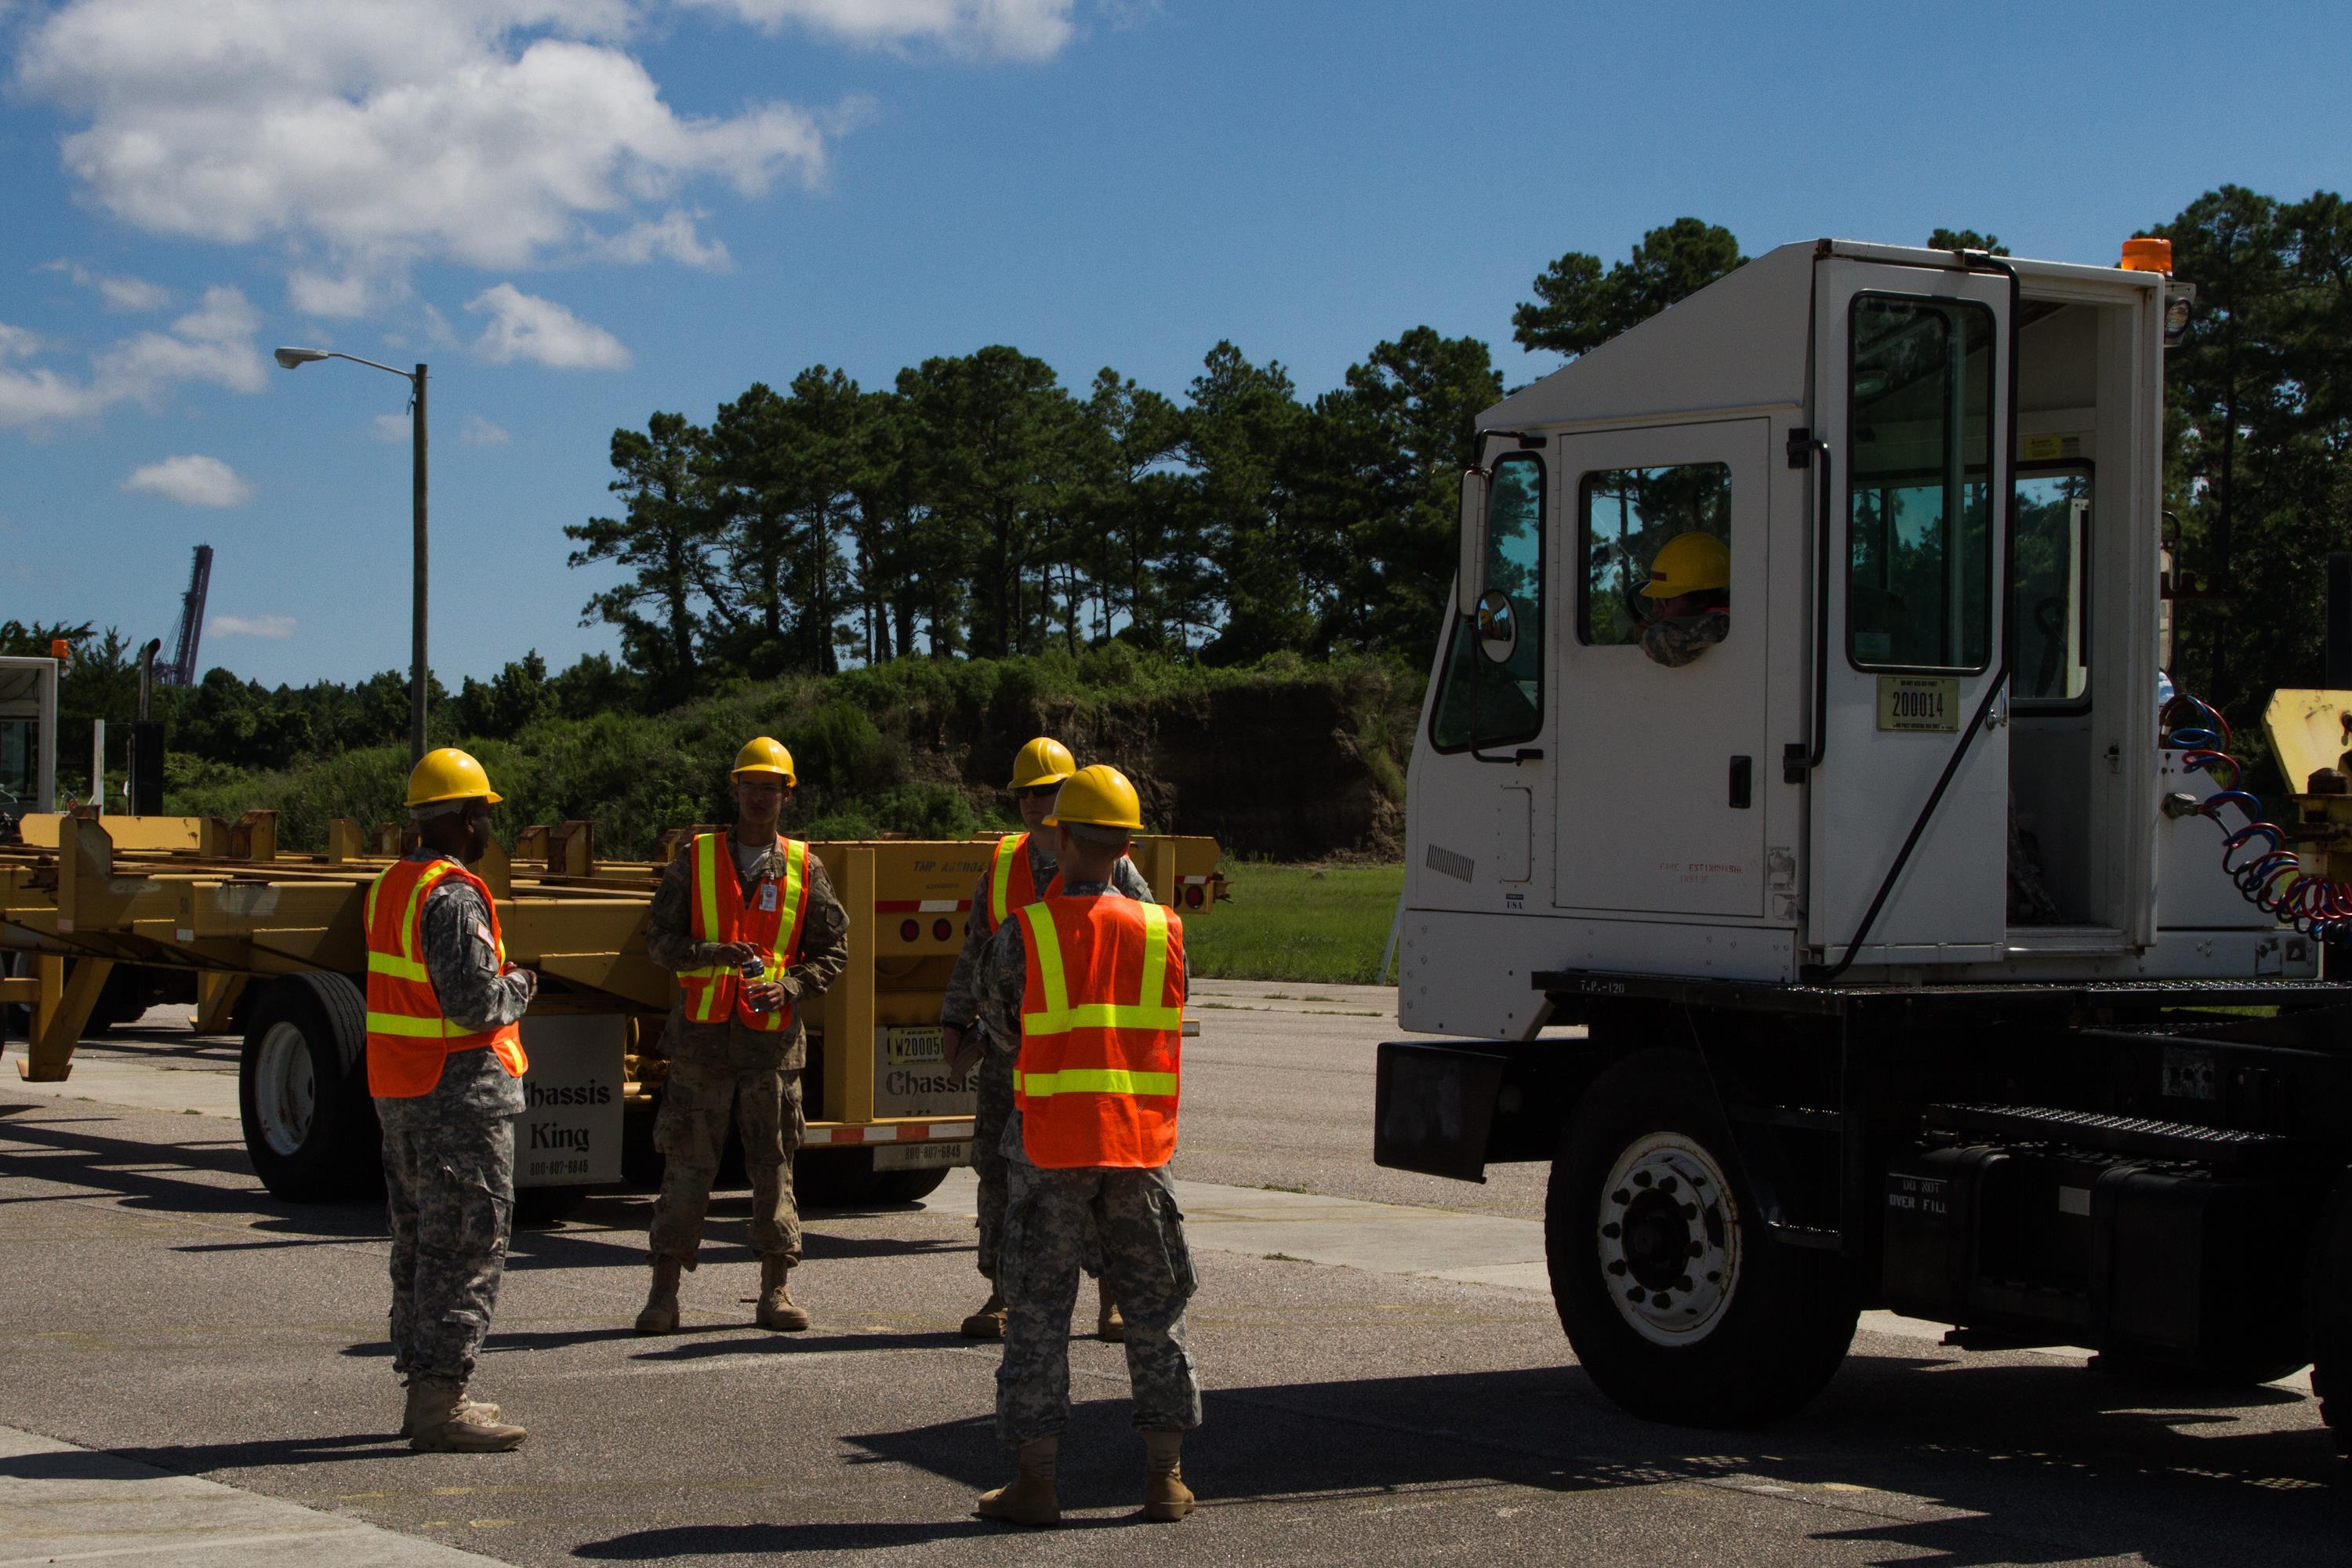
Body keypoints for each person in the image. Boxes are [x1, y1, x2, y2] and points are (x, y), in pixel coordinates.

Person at [971, 764, 1200, 1527]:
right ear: (1127, 844)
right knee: (1153, 1308)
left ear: (1062, 837)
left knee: (1038, 1309)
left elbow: (1003, 1029)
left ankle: (1037, 1483)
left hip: (1050, 1142)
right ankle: (1164, 1478)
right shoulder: (1164, 928)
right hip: (1138, 1143)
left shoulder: (1027, 930)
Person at [941, 736, 1154, 1343]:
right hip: (1011, 1051)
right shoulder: (1004, 862)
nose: (1035, 805)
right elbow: (977, 947)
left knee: (1102, 1170)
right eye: (1026, 794)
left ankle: (1111, 1298)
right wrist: (957, 1022)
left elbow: (1141, 944)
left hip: (1084, 1053)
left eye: (1048, 792)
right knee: (1000, 1169)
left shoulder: (1116, 866)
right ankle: (1003, 1291)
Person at [635, 736, 850, 1335]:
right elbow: (658, 940)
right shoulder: (696, 858)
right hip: (702, 1043)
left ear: (787, 795)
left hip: (772, 1045)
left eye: (771, 787)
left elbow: (836, 948)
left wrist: (793, 987)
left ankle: (776, 1291)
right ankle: (663, 1292)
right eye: (750, 786)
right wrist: (709, 954)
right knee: (686, 1166)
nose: (760, 797)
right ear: (735, 791)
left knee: (774, 1165)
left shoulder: (805, 866)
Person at [368, 748, 536, 1453]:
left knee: (418, 1243)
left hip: (403, 1089)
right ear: (467, 818)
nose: (491, 826)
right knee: (466, 1245)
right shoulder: (455, 894)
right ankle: (441, 1400)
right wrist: (523, 986)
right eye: (486, 813)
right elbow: (473, 1002)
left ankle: (427, 1389)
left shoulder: (392, 886)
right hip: (458, 1094)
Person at [1635, 531, 1731, 667]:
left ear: (1700, 599)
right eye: (1655, 600)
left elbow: (1661, 642)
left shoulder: (1721, 623)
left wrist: (1644, 636)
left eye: (1664, 601)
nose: (1655, 609)